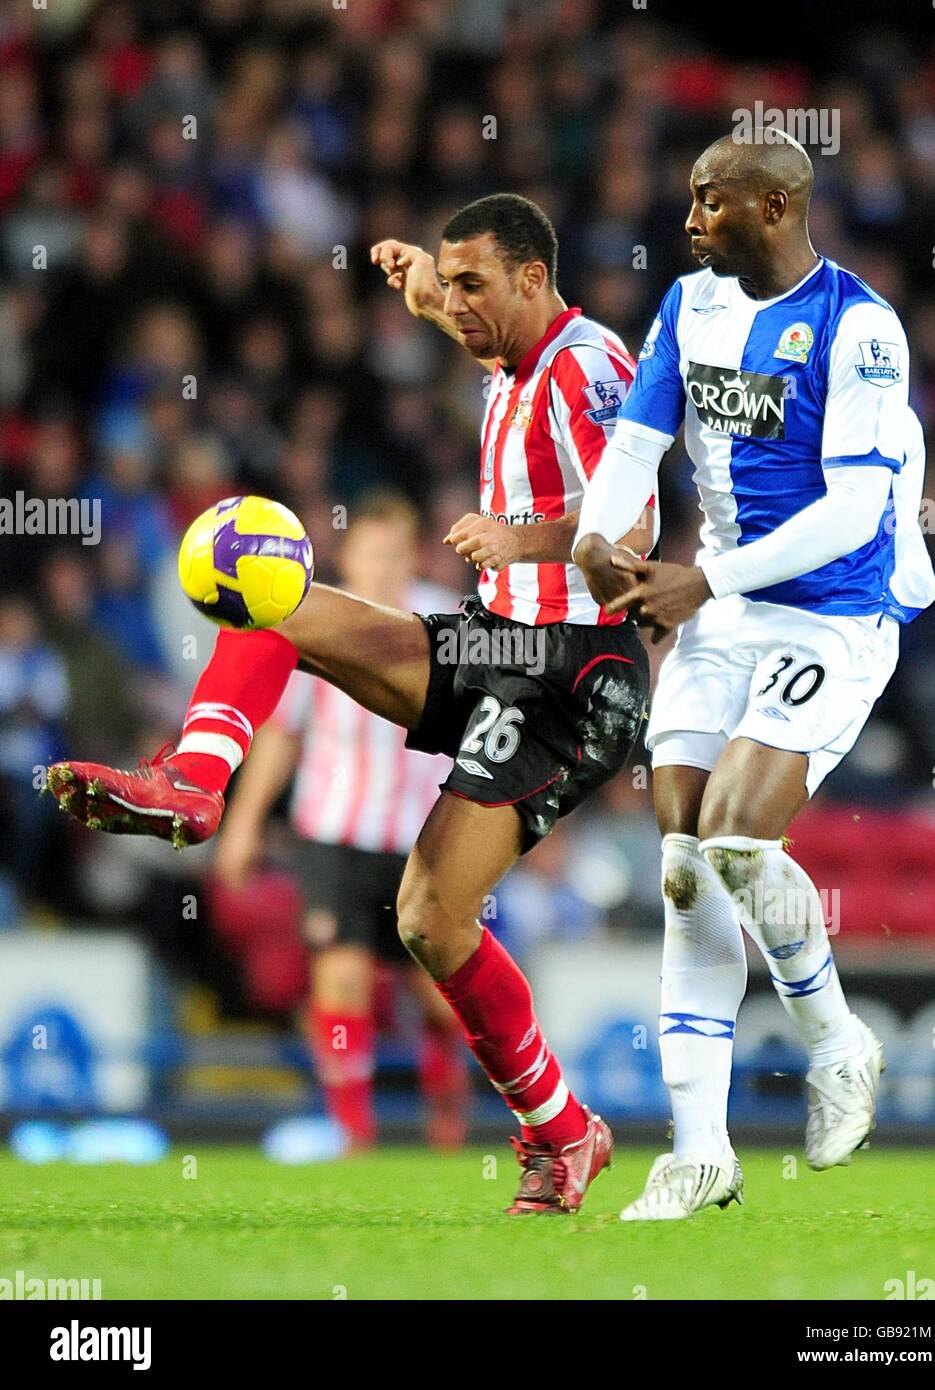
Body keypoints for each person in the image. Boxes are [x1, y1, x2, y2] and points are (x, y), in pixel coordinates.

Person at [49, 193, 654, 1214]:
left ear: (534, 281)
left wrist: (525, 541)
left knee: (427, 917)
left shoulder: (588, 365)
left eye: (475, 286)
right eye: (450, 288)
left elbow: (632, 523)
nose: (456, 306)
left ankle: (555, 1129)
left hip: (572, 672)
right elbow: (452, 305)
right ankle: (193, 783)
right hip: (497, 644)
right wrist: (423, 282)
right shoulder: (510, 351)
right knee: (274, 597)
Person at [574, 131, 935, 1222]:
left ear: (775, 206)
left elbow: (851, 508)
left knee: (737, 836)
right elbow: (636, 447)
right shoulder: (689, 308)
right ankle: (697, 1153)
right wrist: (599, 540)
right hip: (723, 611)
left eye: (709, 202)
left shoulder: (861, 328)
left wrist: (703, 577)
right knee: (686, 864)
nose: (689, 219)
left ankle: (836, 1041)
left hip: (832, 617)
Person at [213, 493, 469, 1153]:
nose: (381, 566)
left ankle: (447, 1103)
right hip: (332, 828)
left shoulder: (446, 618)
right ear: (347, 554)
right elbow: (283, 733)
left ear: (412, 555)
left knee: (440, 993)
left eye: (393, 554)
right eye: (369, 552)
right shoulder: (313, 616)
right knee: (342, 978)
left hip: (424, 835)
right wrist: (241, 823)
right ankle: (353, 1130)